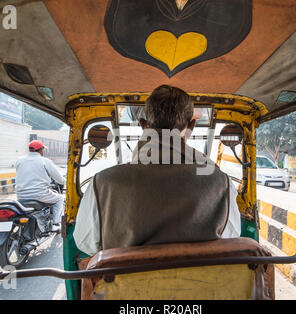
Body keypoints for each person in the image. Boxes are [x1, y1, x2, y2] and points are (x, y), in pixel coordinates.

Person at [74, 85, 241, 256]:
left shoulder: (102, 183)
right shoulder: (221, 182)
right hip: (203, 282)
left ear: (143, 125)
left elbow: (85, 243)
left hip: (127, 283)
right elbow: (231, 237)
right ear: (191, 125)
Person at [16, 140, 66, 232]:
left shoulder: (19, 160)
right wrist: (64, 181)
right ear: (41, 150)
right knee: (60, 199)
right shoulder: (45, 161)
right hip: (40, 195)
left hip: (21, 195)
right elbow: (59, 179)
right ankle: (55, 224)